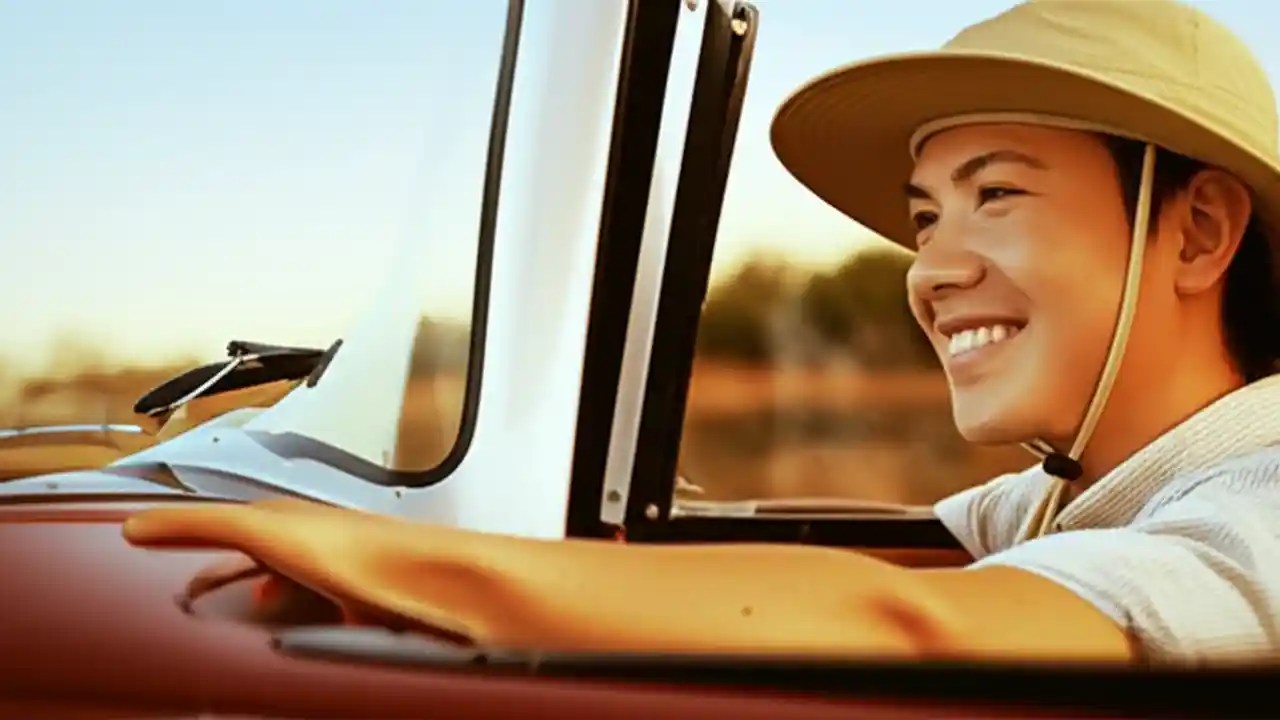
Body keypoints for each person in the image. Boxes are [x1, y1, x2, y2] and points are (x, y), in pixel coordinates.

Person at [122, 0, 1280, 664]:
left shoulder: (1257, 509)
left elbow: (912, 618)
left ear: (1194, 232)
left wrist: (412, 560)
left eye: (998, 196)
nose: (931, 268)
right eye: (925, 219)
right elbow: (852, 572)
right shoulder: (1052, 499)